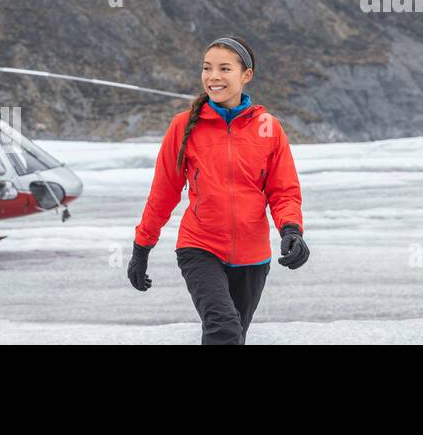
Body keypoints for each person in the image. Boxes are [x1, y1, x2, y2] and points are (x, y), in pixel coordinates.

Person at [127, 36, 308, 345]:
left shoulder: (268, 127)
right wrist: (141, 247)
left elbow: (283, 191)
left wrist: (291, 230)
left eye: (224, 68)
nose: (213, 76)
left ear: (246, 75)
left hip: (253, 256)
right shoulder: (184, 126)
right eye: (207, 68)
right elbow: (164, 192)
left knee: (232, 336)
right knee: (223, 329)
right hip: (199, 247)